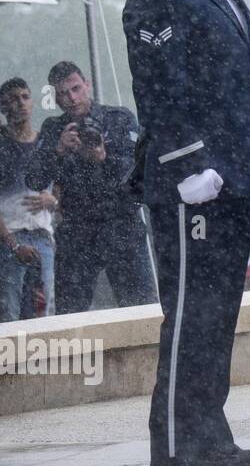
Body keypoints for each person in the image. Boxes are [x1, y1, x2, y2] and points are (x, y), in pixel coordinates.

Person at [123, 0, 250, 466]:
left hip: (230, 179)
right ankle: (176, 444)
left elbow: (236, 90)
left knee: (220, 312)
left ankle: (209, 434)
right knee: (192, 312)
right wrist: (190, 162)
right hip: (190, 185)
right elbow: (160, 89)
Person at [26, 62, 155, 314]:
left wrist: (103, 158)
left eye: (75, 89)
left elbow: (140, 173)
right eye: (63, 93)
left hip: (121, 224)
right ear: (55, 97)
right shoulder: (54, 129)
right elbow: (33, 179)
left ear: (87, 85)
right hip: (77, 228)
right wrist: (58, 151)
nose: (72, 98)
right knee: (70, 315)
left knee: (142, 311)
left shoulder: (118, 119)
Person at [0, 78, 56, 321]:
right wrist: (12, 244)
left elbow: (59, 188)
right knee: (9, 315)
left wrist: (52, 201)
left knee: (46, 313)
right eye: (13, 99)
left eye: (25, 96)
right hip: (9, 238)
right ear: (3, 108)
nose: (21, 103)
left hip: (43, 236)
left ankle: (45, 360)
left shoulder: (46, 142)